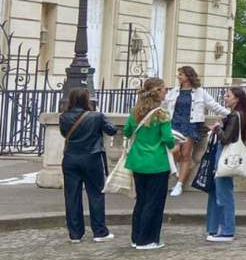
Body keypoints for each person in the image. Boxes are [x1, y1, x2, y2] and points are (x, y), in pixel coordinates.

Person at [58, 88, 118, 243]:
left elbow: (64, 134)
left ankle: (75, 234)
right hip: (92, 157)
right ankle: (99, 231)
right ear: (87, 100)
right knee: (96, 195)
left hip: (70, 158)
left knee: (72, 196)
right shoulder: (96, 116)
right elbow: (111, 131)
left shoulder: (64, 117)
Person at [124, 77, 176, 250]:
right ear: (157, 92)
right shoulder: (162, 114)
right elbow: (168, 138)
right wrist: (173, 145)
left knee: (141, 200)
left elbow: (127, 131)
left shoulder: (135, 112)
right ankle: (147, 239)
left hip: (138, 160)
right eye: (164, 89)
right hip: (157, 162)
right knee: (154, 202)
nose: (166, 92)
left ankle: (136, 236)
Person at [162, 66, 229, 197]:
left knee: (186, 154)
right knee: (174, 151)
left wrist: (231, 114)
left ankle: (179, 184)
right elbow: (163, 105)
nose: (178, 76)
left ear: (188, 76)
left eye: (180, 74)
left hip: (190, 125)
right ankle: (172, 174)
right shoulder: (174, 91)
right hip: (174, 124)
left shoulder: (199, 92)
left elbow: (213, 106)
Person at [206, 88, 246, 243]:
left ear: (236, 99)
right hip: (229, 155)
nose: (225, 98)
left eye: (228, 96)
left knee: (224, 194)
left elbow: (226, 139)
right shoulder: (240, 115)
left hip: (225, 155)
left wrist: (217, 128)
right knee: (224, 192)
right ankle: (223, 228)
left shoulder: (234, 115)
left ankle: (227, 230)